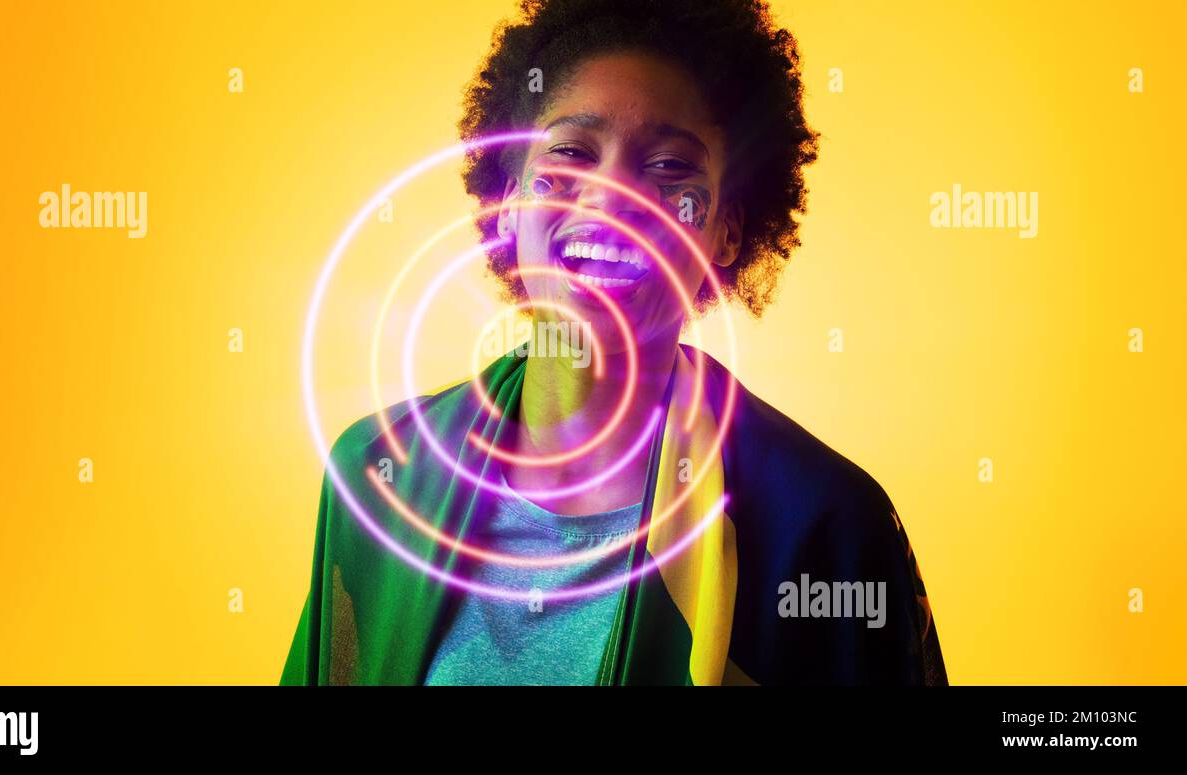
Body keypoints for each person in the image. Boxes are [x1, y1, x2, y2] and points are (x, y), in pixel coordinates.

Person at [282, 0, 947, 685]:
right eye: (571, 151)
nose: (610, 197)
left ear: (725, 228)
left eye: (667, 166)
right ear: (509, 201)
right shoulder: (379, 477)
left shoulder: (822, 524)